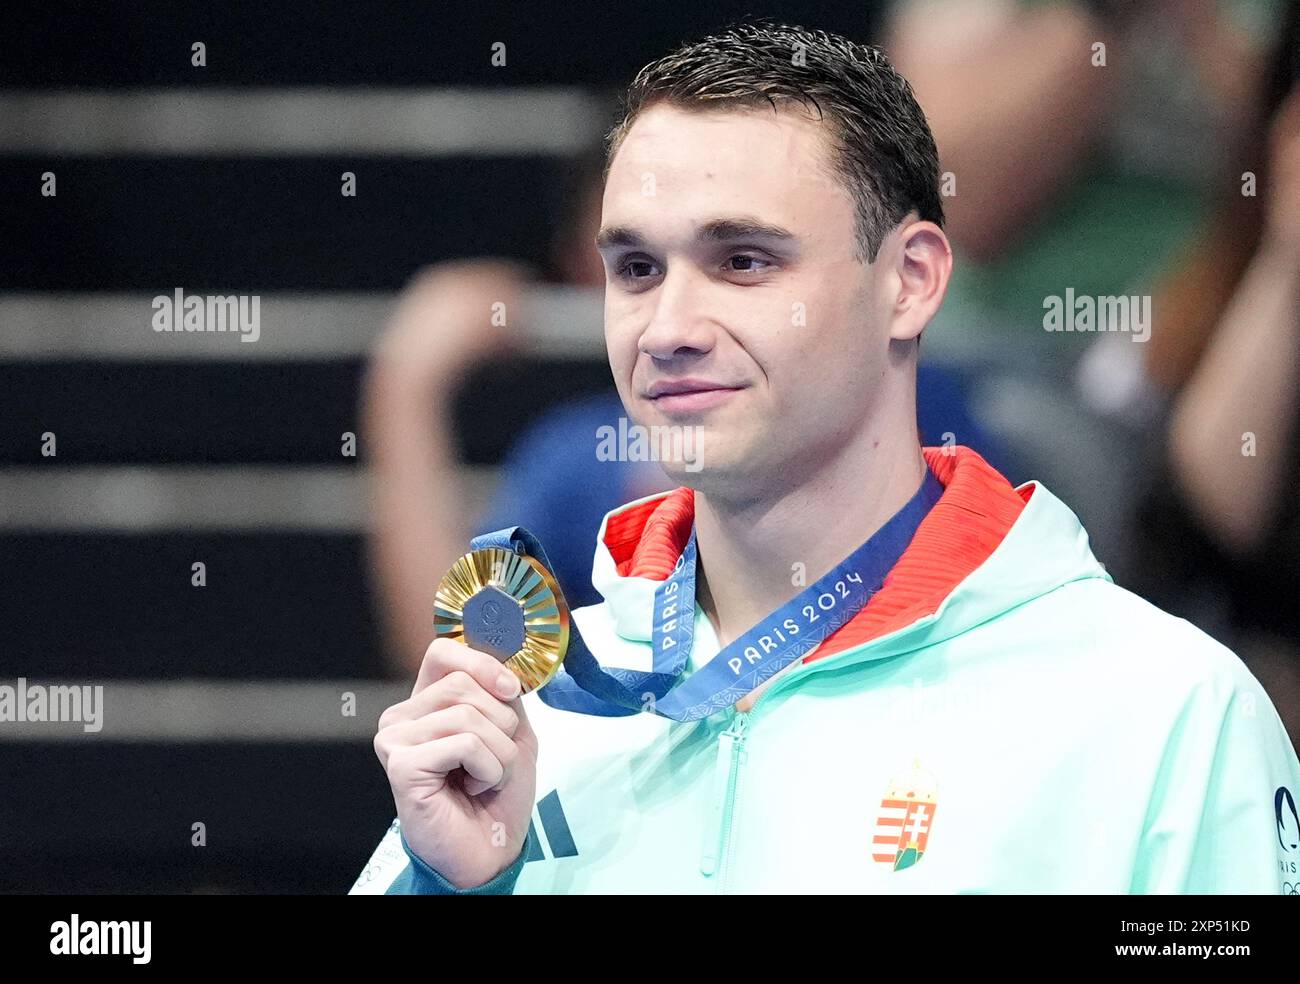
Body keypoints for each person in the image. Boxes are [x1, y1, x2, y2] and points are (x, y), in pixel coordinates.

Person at [351, 22, 1300, 895]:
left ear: (910, 281)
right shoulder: (536, 717)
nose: (668, 329)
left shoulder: (1162, 712)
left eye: (744, 262)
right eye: (636, 269)